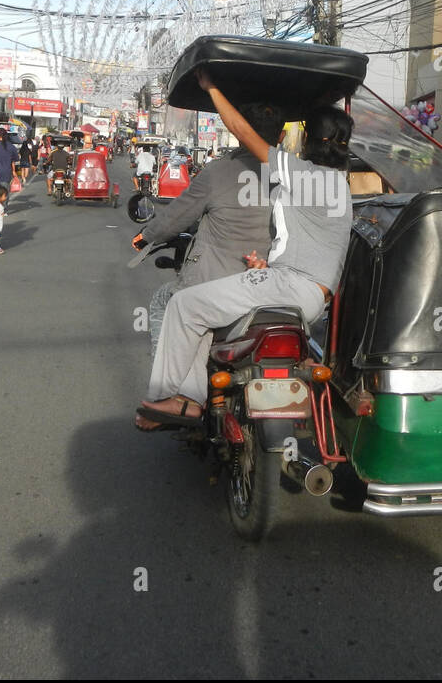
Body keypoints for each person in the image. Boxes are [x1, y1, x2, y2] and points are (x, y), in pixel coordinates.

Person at [137, 71, 353, 430]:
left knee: (183, 305)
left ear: (306, 142)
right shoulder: (341, 188)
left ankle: (178, 399)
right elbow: (311, 245)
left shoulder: (299, 172)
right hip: (312, 299)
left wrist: (212, 88)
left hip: (290, 286)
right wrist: (265, 265)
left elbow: (241, 131)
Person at [132, 102, 283, 369]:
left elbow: (175, 217)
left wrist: (146, 235)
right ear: (281, 137)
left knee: (162, 301)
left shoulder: (218, 171)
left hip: (215, 285)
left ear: (239, 133)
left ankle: (170, 389)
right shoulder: (297, 177)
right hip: (277, 289)